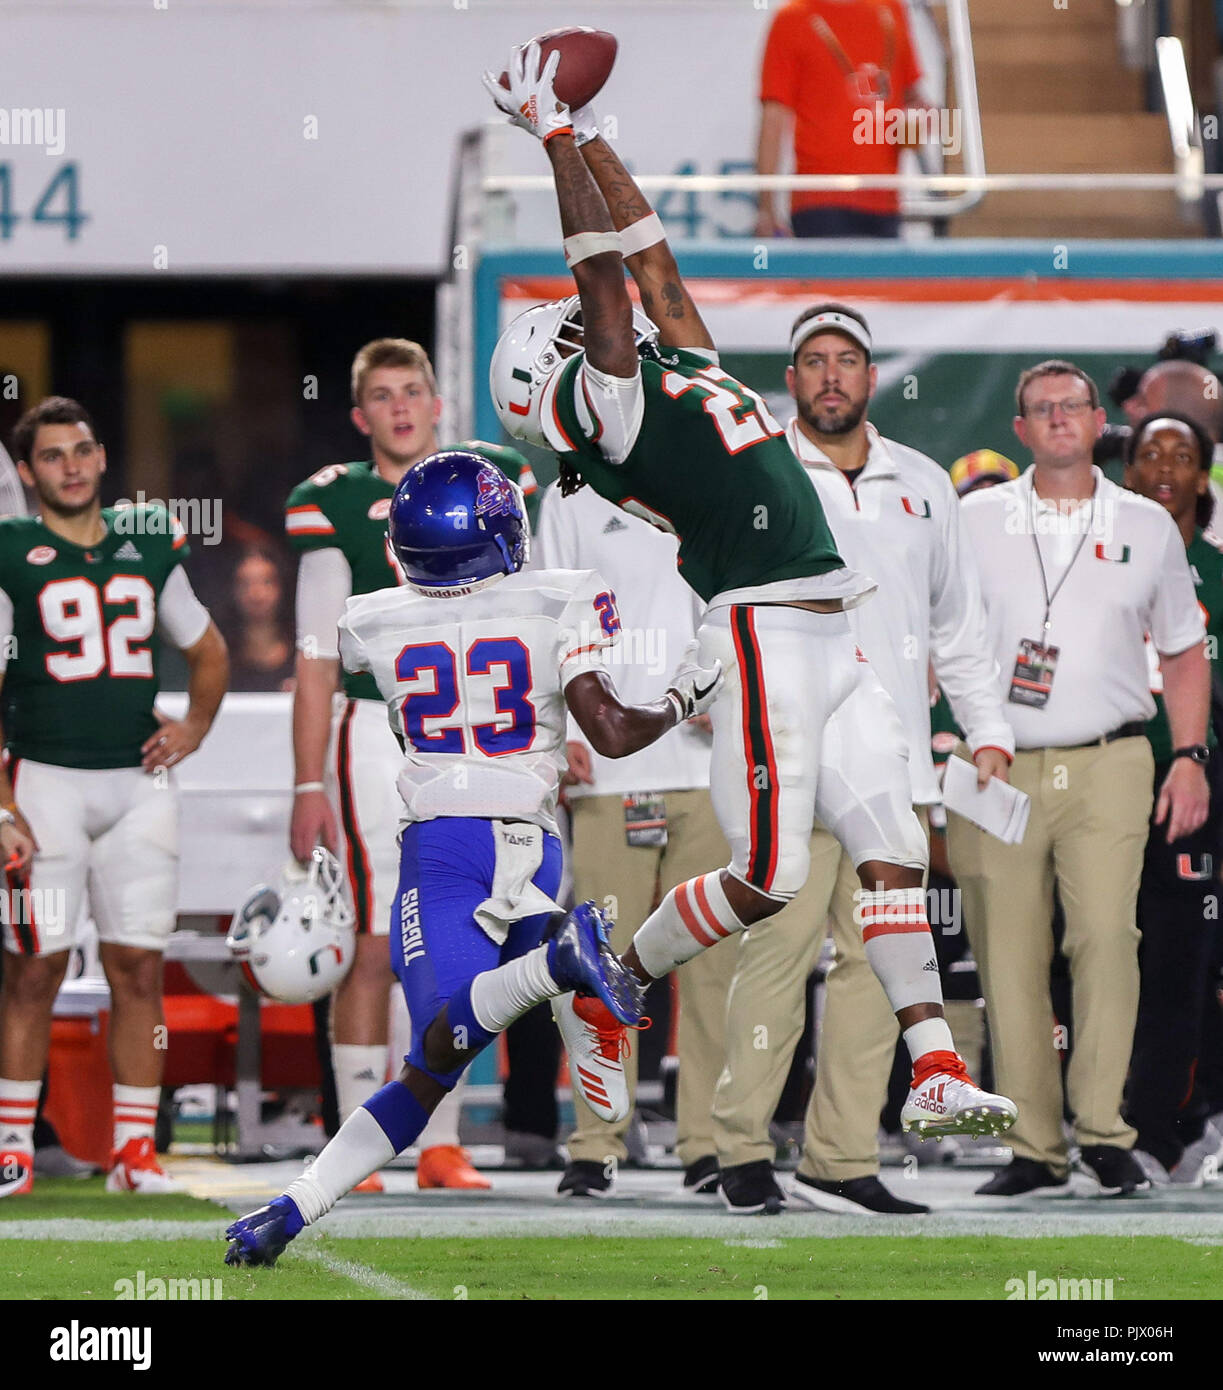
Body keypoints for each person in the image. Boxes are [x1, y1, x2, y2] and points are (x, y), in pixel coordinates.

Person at [485, 42, 1015, 1215]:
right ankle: (616, 973)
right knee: (771, 875)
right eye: (564, 328)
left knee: (889, 846)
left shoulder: (663, 364)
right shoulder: (600, 414)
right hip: (766, 627)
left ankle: (933, 1067)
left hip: (837, 623)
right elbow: (609, 298)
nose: (578, 320)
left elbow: (647, 261)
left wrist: (592, 134)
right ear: (547, 382)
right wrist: (553, 138)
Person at [224, 450, 722, 1265]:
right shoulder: (561, 596)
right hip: (534, 842)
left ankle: (563, 967)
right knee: (443, 1057)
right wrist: (685, 693)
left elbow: (332, 656)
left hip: (446, 847)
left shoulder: (371, 621)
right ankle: (294, 1208)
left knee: (438, 1045)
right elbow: (612, 733)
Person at [709, 302, 1016, 1215]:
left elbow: (958, 628)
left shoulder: (922, 482)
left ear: (871, 378)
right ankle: (740, 1150)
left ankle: (840, 1159)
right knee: (774, 954)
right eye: (814, 360)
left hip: (894, 769)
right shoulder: (753, 475)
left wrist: (987, 728)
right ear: (792, 378)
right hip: (791, 754)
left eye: (848, 360)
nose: (832, 375)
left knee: (877, 967)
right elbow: (715, 597)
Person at [948, 361, 1212, 1197]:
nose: (1058, 418)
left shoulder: (1147, 524)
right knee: (1008, 956)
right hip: (995, 764)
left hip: (1112, 758)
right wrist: (940, 746)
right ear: (1019, 429)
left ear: (1101, 422)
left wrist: (1190, 756)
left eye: (1072, 406)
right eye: (1039, 409)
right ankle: (1032, 1147)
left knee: (1106, 940)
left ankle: (1102, 1131)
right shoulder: (973, 519)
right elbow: (936, 636)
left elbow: (1180, 650)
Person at [286, 337, 530, 1192]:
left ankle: (439, 1138)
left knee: (468, 935)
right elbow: (317, 657)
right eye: (382, 395)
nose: (400, 406)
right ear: (361, 416)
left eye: (413, 389)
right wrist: (307, 781)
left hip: (476, 732)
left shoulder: (491, 481)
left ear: (436, 400)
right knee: (370, 939)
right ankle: (355, 1142)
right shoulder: (338, 502)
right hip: (371, 730)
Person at [0, 396, 228, 1196]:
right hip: (45, 781)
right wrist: (1, 805)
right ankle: (12, 1147)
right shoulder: (8, 549)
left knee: (140, 970)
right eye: (53, 455)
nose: (71, 465)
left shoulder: (145, 544)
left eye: (83, 450)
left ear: (101, 458)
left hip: (138, 785)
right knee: (33, 970)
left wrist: (194, 727)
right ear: (27, 472)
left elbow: (207, 649)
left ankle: (135, 1153)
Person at [534, 479, 733, 1198]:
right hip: (609, 770)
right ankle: (594, 1141)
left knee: (713, 967)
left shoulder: (698, 476)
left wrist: (731, 690)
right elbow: (547, 619)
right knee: (599, 964)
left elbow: (734, 603)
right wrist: (556, 736)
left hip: (706, 767)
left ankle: (706, 1144)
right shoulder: (567, 499)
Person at [1121, 413, 1223, 1182]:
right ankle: (1111, 1120)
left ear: (1201, 478)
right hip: (1104, 779)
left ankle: (1173, 1125)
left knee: (1185, 961)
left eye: (1180, 456)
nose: (1162, 466)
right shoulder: (1101, 559)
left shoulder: (1216, 574)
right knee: (1097, 958)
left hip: (1195, 790)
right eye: (1148, 452)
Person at [755, 0, 926, 239]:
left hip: (884, 198)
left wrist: (921, 120)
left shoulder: (891, 10)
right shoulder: (793, 18)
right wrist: (765, 207)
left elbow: (911, 97)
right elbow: (773, 116)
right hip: (820, 197)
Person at [226, 547, 295, 692]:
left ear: (281, 587)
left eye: (267, 582)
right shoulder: (219, 657)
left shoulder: (306, 653)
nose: (256, 594)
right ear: (233, 590)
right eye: (245, 584)